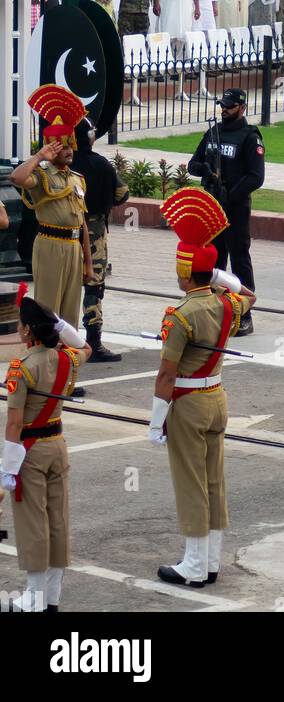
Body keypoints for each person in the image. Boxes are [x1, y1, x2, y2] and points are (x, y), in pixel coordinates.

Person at [149, 188, 256, 586]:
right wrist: (218, 275)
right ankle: (210, 560)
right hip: (217, 398)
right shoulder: (226, 304)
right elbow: (250, 294)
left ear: (184, 271)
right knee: (214, 480)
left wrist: (156, 419)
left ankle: (194, 566)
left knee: (191, 482)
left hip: (189, 402)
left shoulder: (180, 316)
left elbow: (166, 373)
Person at [1, 288, 91, 612]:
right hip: (57, 445)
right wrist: (60, 324)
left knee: (33, 524)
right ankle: (51, 596)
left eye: (21, 324)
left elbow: (14, 423)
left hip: (31, 450)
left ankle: (34, 598)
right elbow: (86, 347)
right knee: (57, 520)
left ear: (27, 330)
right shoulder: (66, 359)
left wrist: (8, 469)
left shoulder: (21, 367)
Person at [9, 88, 95, 327]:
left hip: (73, 247)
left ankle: (66, 359)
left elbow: (82, 223)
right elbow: (16, 178)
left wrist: (88, 262)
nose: (68, 151)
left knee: (69, 315)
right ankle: (45, 354)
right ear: (51, 147)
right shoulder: (42, 174)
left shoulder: (76, 178)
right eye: (61, 146)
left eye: (70, 146)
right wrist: (40, 156)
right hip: (50, 244)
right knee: (47, 310)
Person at [188, 89, 265, 331]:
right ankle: (217, 310)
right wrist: (206, 170)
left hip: (236, 208)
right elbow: (193, 164)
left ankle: (245, 315)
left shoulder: (250, 136)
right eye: (222, 105)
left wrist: (230, 195)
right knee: (214, 260)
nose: (224, 110)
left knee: (240, 261)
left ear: (242, 108)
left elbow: (256, 177)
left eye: (229, 107)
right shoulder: (214, 132)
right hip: (212, 208)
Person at [74, 118, 129, 363]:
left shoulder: (65, 165)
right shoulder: (102, 164)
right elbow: (122, 193)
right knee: (94, 286)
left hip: (66, 229)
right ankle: (93, 342)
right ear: (90, 137)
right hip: (95, 230)